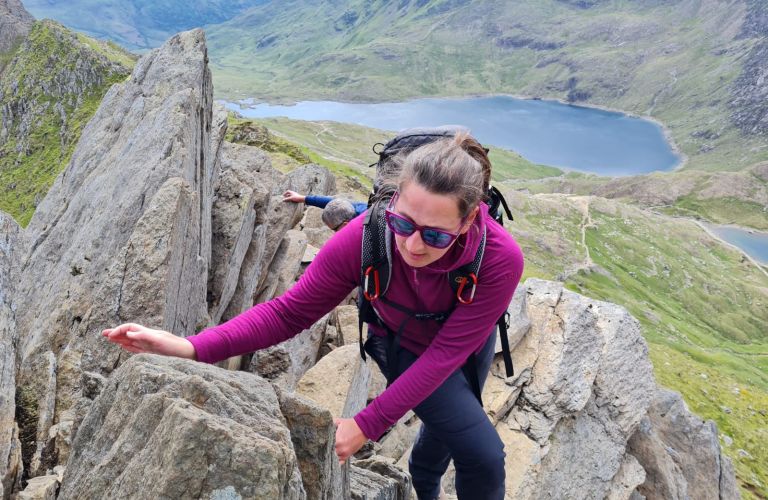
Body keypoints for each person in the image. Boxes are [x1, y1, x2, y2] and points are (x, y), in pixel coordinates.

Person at [103, 133, 524, 500]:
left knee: (456, 423)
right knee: (484, 458)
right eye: (403, 223)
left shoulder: (499, 258)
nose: (413, 246)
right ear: (394, 199)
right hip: (402, 343)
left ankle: (424, 477)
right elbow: (289, 313)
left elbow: (447, 355)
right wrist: (192, 347)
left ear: (469, 219)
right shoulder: (366, 237)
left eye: (434, 235)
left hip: (466, 345)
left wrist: (366, 424)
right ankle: (426, 484)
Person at [282, 190, 367, 231]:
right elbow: (335, 202)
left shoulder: (366, 231)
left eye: (335, 229)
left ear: (345, 224)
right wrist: (302, 198)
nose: (335, 233)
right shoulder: (357, 208)